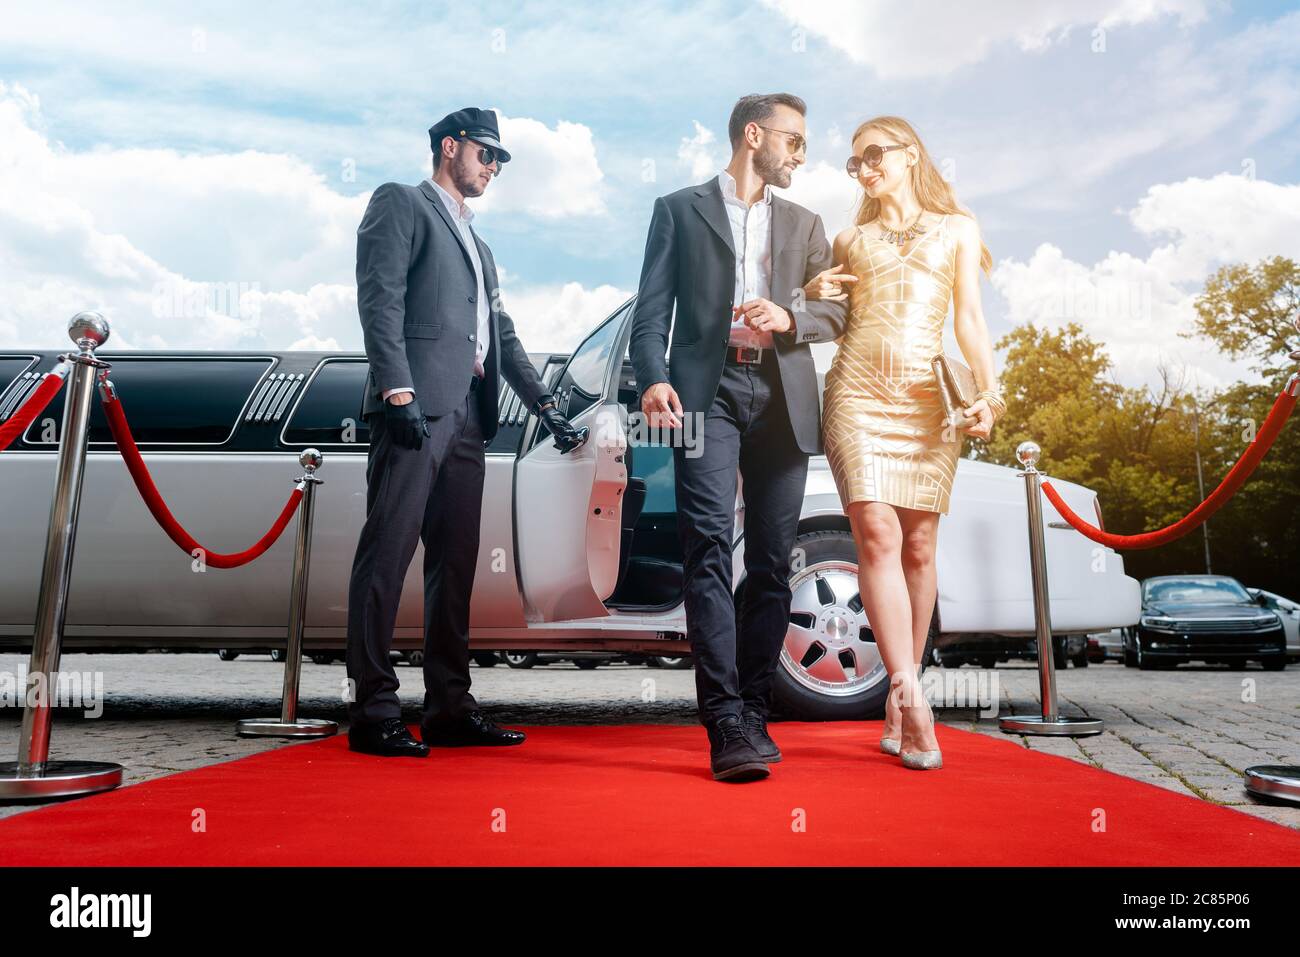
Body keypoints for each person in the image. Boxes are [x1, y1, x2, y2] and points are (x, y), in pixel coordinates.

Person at [345, 107, 586, 758]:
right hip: (415, 407)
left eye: (501, 160)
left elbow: (501, 336)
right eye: (487, 154)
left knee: (455, 569)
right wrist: (396, 387)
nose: (494, 167)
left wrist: (546, 407)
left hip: (469, 419)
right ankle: (373, 711)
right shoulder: (401, 203)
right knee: (386, 558)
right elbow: (381, 297)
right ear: (450, 147)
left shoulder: (480, 247)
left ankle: (449, 706)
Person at [631, 93, 848, 782]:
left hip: (782, 398)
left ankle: (754, 706)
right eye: (794, 140)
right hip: (704, 394)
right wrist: (651, 377)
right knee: (707, 547)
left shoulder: (808, 223)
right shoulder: (678, 209)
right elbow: (650, 309)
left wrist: (789, 315)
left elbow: (837, 307)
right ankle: (723, 717)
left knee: (773, 561)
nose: (802, 154)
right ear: (753, 134)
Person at [806, 114, 1004, 770]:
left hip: (927, 404)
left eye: (874, 155)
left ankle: (901, 689)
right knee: (880, 538)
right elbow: (826, 316)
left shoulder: (957, 229)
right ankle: (908, 693)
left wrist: (989, 390)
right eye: (854, 162)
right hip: (857, 397)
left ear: (911, 152)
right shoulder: (848, 238)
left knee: (920, 546)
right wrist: (810, 293)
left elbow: (969, 319)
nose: (864, 169)